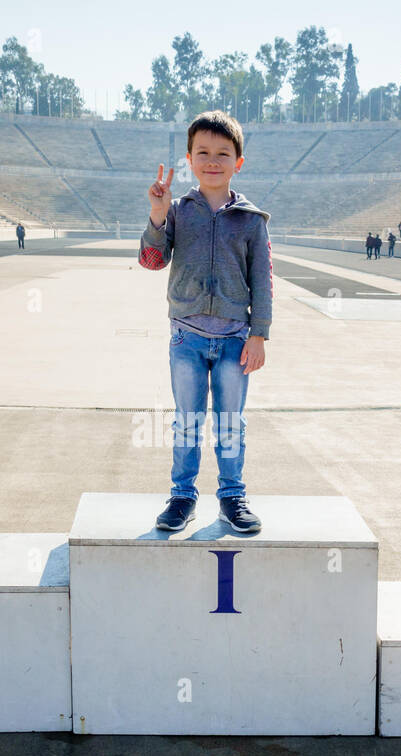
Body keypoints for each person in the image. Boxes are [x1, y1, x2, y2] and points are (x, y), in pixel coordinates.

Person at [139, 110, 270, 534]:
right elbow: (152, 261)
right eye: (203, 153)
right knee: (187, 420)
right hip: (187, 339)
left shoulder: (251, 220)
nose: (213, 161)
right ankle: (182, 496)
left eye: (223, 153)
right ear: (190, 160)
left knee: (231, 421)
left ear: (239, 162)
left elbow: (261, 280)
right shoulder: (178, 211)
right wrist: (158, 217)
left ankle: (232, 496)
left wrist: (259, 334)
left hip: (234, 339)